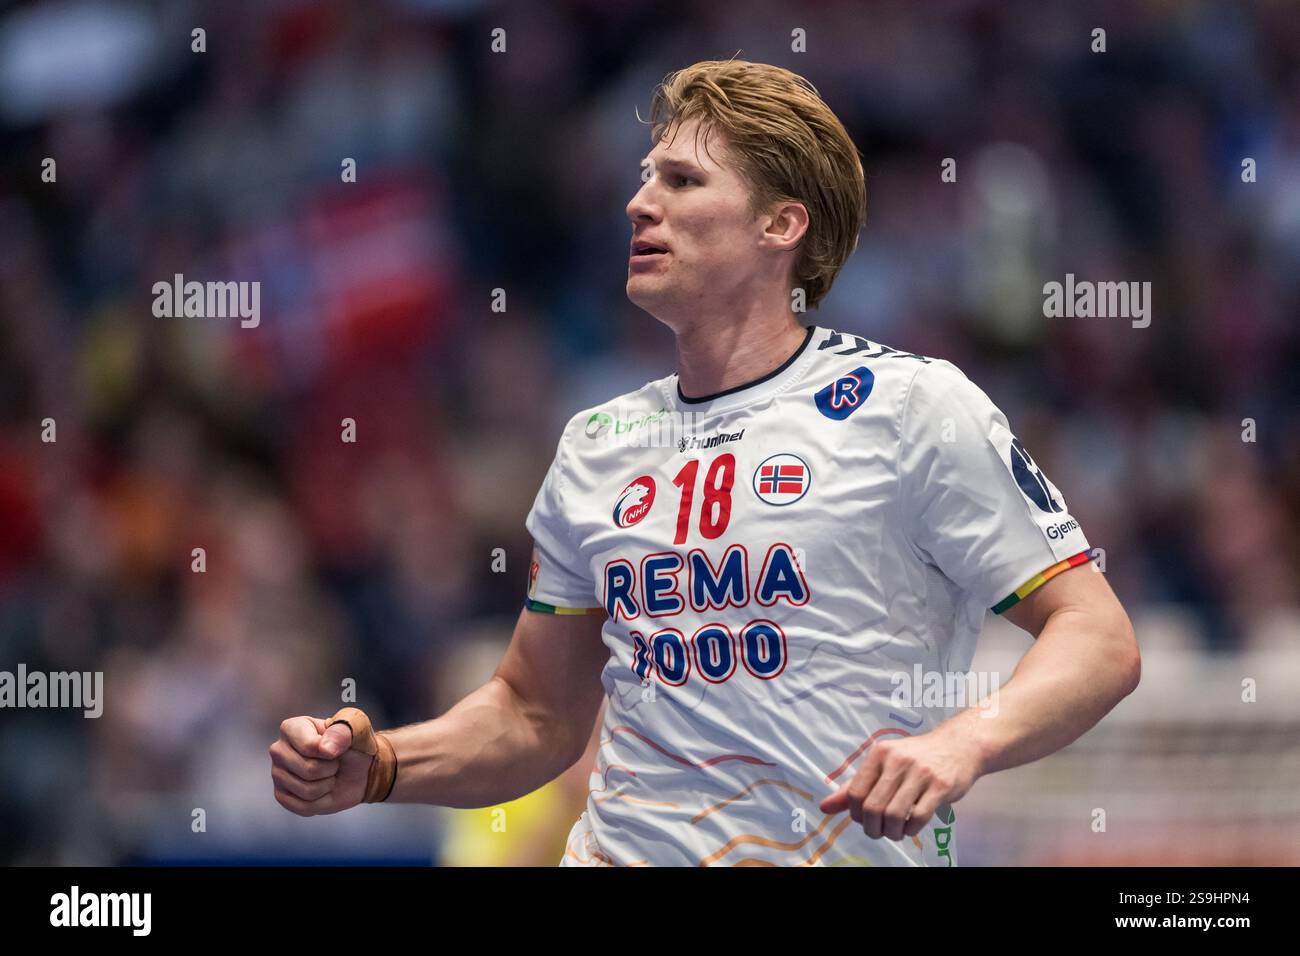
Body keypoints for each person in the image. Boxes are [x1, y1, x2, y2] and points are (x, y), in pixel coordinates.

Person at [270, 59, 1140, 866]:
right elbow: (535, 715)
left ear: (780, 224)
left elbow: (1098, 637)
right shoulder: (597, 444)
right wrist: (382, 763)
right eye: (645, 178)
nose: (639, 204)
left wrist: (967, 740)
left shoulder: (910, 406)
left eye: (682, 181)